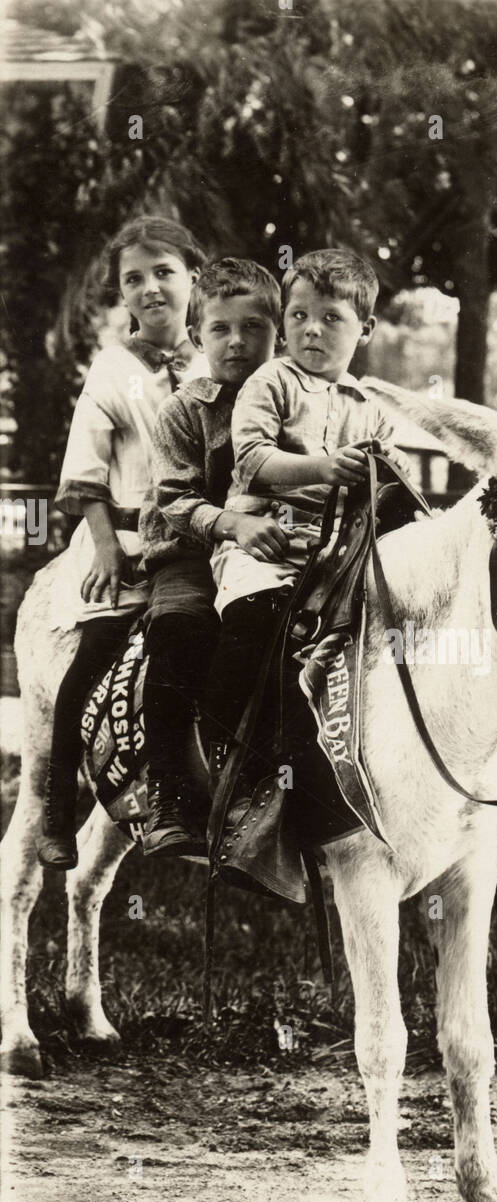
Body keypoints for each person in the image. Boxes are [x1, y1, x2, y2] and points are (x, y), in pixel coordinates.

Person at [39, 216, 207, 869]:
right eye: (133, 280)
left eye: (164, 272)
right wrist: (106, 547)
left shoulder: (212, 358)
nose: (150, 289)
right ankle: (58, 804)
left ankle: (211, 789)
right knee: (90, 661)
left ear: (194, 276)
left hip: (193, 545)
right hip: (126, 538)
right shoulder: (112, 369)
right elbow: (84, 470)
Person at [204, 248, 407, 786]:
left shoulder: (374, 408)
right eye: (299, 316)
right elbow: (251, 459)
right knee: (254, 621)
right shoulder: (272, 381)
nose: (311, 331)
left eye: (331, 318)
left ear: (365, 329)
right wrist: (324, 467)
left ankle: (357, 761)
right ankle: (222, 744)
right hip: (265, 544)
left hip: (339, 556)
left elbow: (389, 489)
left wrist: (391, 477)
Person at [138, 257, 281, 857]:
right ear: (196, 337)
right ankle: (170, 790)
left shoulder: (298, 401)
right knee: (179, 633)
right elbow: (174, 500)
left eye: (254, 328)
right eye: (220, 328)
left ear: (281, 333)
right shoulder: (185, 411)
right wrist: (233, 525)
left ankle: (278, 779)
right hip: (192, 550)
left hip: (275, 551)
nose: (238, 342)